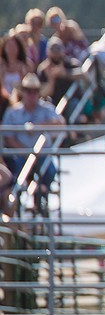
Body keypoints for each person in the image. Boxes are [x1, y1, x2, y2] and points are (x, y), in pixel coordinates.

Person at [2, 74, 66, 214]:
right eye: (28, 90)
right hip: (20, 156)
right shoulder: (13, 112)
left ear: (38, 92)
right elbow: (7, 137)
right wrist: (25, 150)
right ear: (22, 92)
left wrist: (38, 126)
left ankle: (40, 198)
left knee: (49, 171)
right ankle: (16, 209)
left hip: (42, 155)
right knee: (15, 176)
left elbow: (60, 123)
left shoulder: (46, 109)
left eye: (34, 91)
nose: (31, 94)